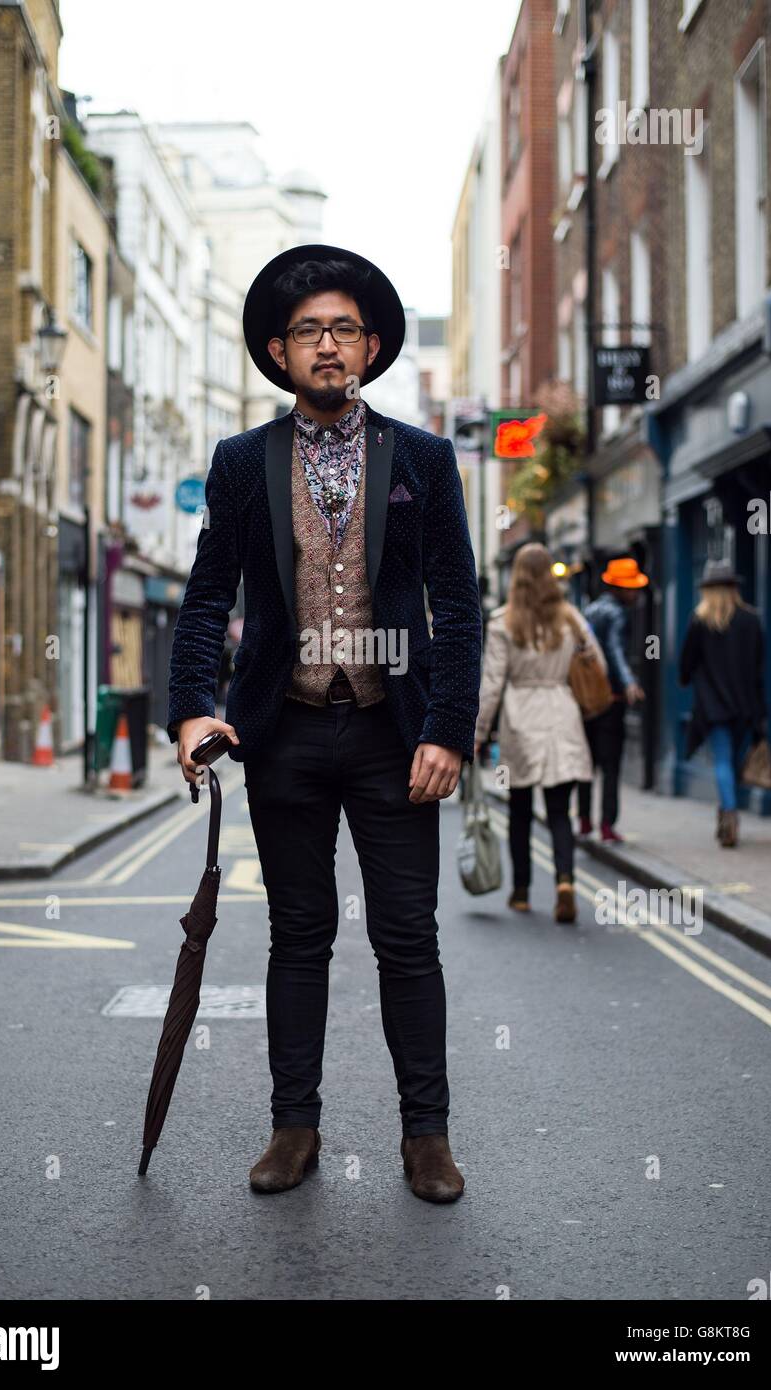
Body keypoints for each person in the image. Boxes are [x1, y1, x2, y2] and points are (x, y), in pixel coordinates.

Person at [166, 245, 483, 1203]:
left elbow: (457, 605)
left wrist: (448, 728)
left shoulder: (422, 460)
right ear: (279, 351)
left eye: (344, 328)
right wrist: (190, 709)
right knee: (297, 937)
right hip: (287, 732)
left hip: (396, 737)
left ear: (374, 345)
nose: (328, 344)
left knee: (408, 940)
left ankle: (426, 1139)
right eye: (309, 330)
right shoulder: (240, 462)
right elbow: (206, 595)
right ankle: (292, 1128)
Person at [473, 542, 607, 924]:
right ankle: (565, 882)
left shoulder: (502, 623)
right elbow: (597, 662)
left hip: (521, 717)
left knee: (519, 810)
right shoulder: (570, 618)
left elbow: (493, 683)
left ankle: (521, 891)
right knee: (560, 811)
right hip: (562, 714)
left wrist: (478, 732)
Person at [678, 558, 767, 848]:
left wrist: (688, 678)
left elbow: (685, 664)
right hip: (746, 706)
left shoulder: (700, 621)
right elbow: (758, 666)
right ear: (733, 589)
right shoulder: (751, 620)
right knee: (735, 762)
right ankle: (729, 810)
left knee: (723, 762)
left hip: (713, 706)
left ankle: (728, 814)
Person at [576, 556, 648, 843]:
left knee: (586, 763)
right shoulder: (618, 613)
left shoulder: (589, 610)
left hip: (585, 700)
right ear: (617, 588)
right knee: (611, 765)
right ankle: (607, 825)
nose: (635, 593)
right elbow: (616, 651)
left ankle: (583, 821)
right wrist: (629, 681)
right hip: (611, 700)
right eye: (630, 587)